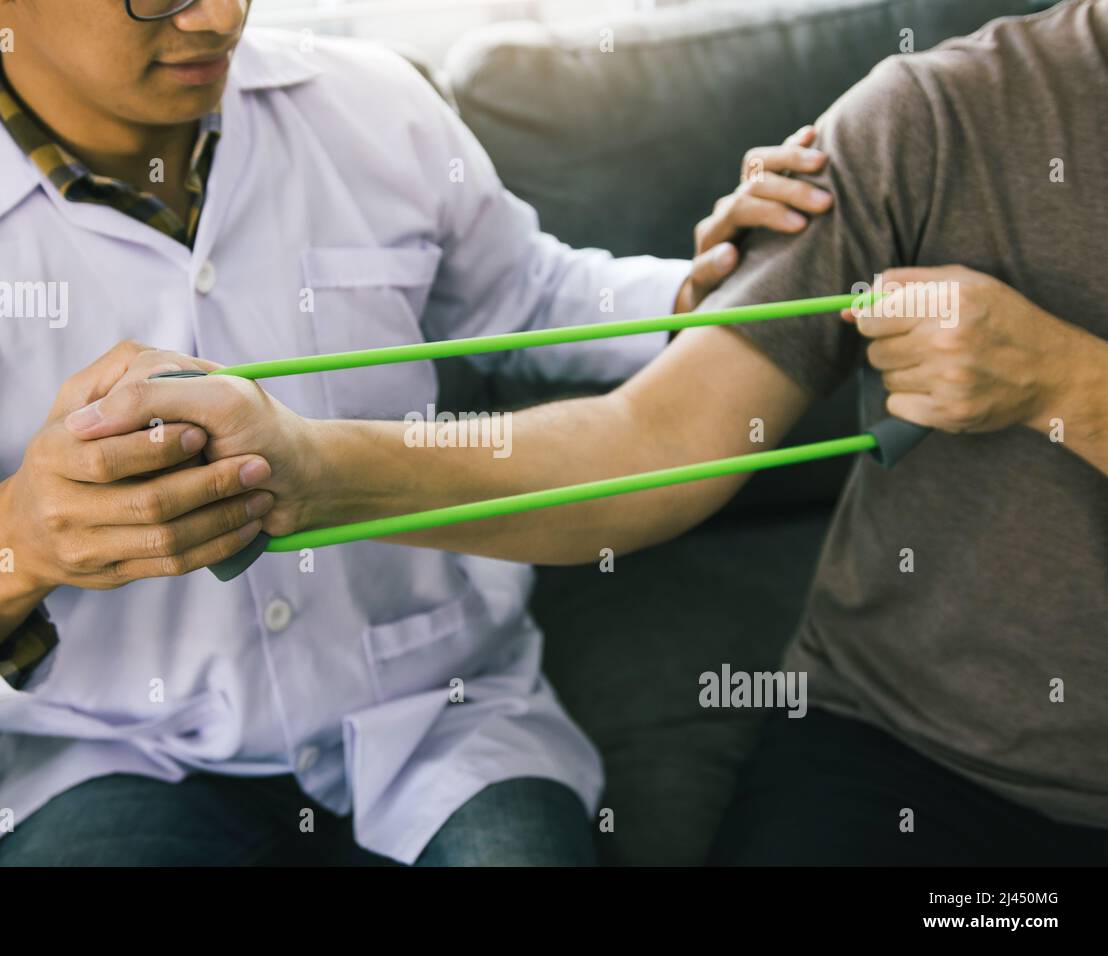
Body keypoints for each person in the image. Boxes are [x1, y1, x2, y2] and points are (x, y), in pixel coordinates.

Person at [0, 0, 831, 865]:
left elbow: (531, 298)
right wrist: (14, 544)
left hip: (443, 716)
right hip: (118, 749)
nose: (221, 16)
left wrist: (716, 292)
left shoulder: (372, 103)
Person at [99, 0, 1108, 864]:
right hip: (912, 756)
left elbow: (528, 290)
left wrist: (1066, 379)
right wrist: (307, 466)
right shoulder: (929, 119)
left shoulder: (360, 109)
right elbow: (648, 445)